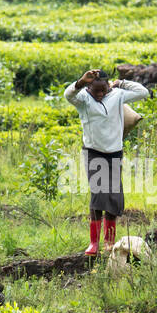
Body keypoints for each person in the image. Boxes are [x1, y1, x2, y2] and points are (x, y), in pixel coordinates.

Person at [64, 69, 150, 255]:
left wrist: (122, 83)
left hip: (114, 154)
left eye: (104, 90)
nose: (100, 94)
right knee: (98, 195)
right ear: (89, 87)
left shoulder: (117, 95)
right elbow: (68, 94)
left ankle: (109, 242)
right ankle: (93, 243)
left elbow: (143, 92)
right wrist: (80, 81)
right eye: (96, 91)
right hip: (94, 152)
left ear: (108, 86)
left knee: (113, 197)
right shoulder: (83, 99)